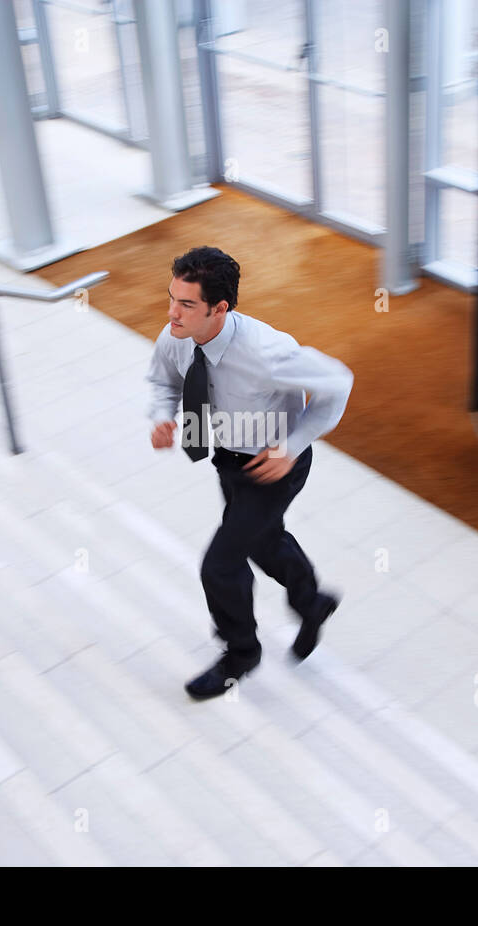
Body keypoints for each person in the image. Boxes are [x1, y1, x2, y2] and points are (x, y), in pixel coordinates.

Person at [144, 246, 354, 701]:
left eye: (186, 304)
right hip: (229, 457)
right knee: (261, 540)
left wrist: (292, 446)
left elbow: (338, 382)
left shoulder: (267, 351)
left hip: (275, 464)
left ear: (219, 308)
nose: (171, 313)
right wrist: (162, 415)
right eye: (172, 298)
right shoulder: (176, 336)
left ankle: (241, 653)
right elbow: (165, 380)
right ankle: (311, 604)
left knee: (220, 564)